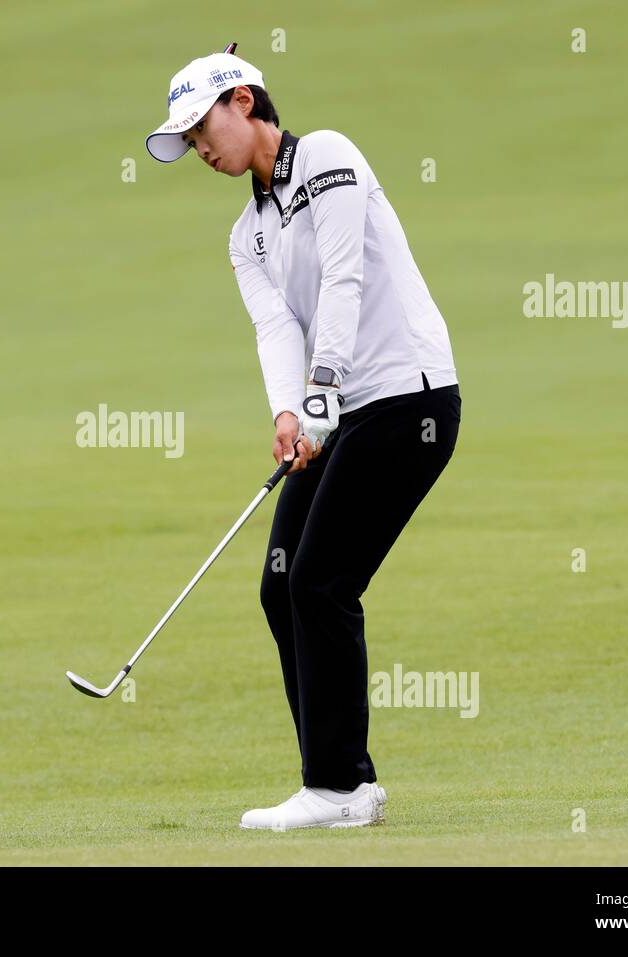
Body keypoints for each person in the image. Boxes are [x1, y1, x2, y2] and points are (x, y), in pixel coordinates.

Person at [145, 45, 462, 829]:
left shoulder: (327, 156)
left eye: (202, 127)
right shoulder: (245, 235)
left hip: (408, 401)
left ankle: (338, 787)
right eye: (185, 141)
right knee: (279, 583)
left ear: (244, 102)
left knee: (320, 581)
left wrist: (323, 388)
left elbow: (346, 276)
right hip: (338, 411)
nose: (200, 149)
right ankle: (344, 780)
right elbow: (274, 327)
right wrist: (290, 411)